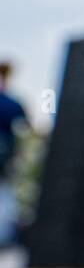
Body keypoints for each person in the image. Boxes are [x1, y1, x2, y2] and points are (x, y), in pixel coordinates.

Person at [0, 61, 29, 248]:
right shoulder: (13, 103)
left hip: (5, 156)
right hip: (5, 154)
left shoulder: (12, 102)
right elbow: (25, 128)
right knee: (5, 195)